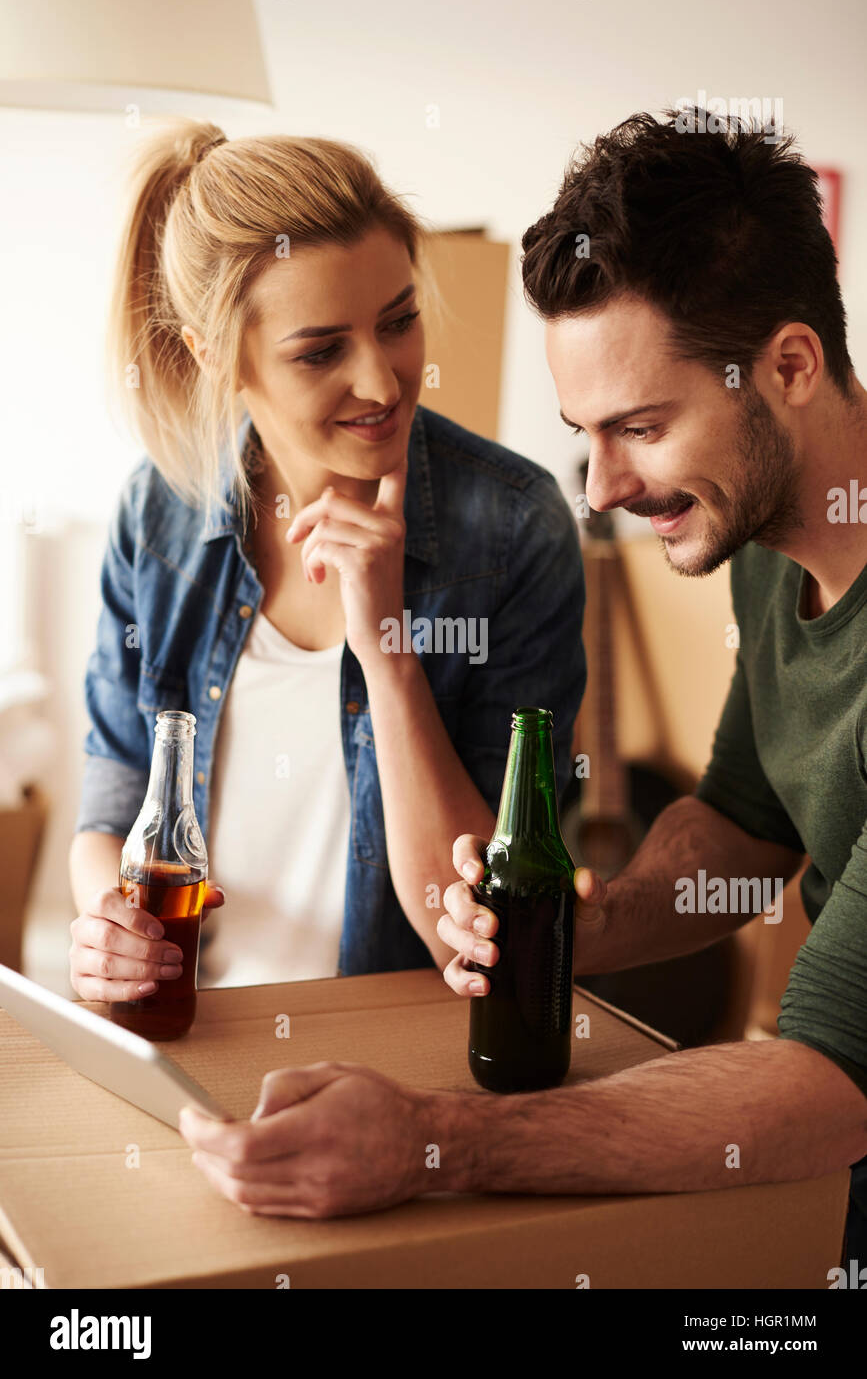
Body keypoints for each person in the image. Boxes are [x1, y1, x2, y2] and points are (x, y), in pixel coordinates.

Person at [177, 111, 867, 1276]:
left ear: (789, 366)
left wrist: (432, 1140)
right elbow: (746, 827)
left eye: (641, 428)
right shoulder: (771, 544)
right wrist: (572, 932)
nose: (598, 490)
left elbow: (835, 1080)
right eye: (584, 436)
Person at [67, 119, 585, 996]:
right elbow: (112, 811)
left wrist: (386, 652)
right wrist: (104, 930)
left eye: (399, 322)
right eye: (319, 351)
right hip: (186, 1033)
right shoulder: (156, 515)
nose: (384, 382)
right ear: (214, 357)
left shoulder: (512, 530)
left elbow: (478, 935)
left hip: (388, 1067)